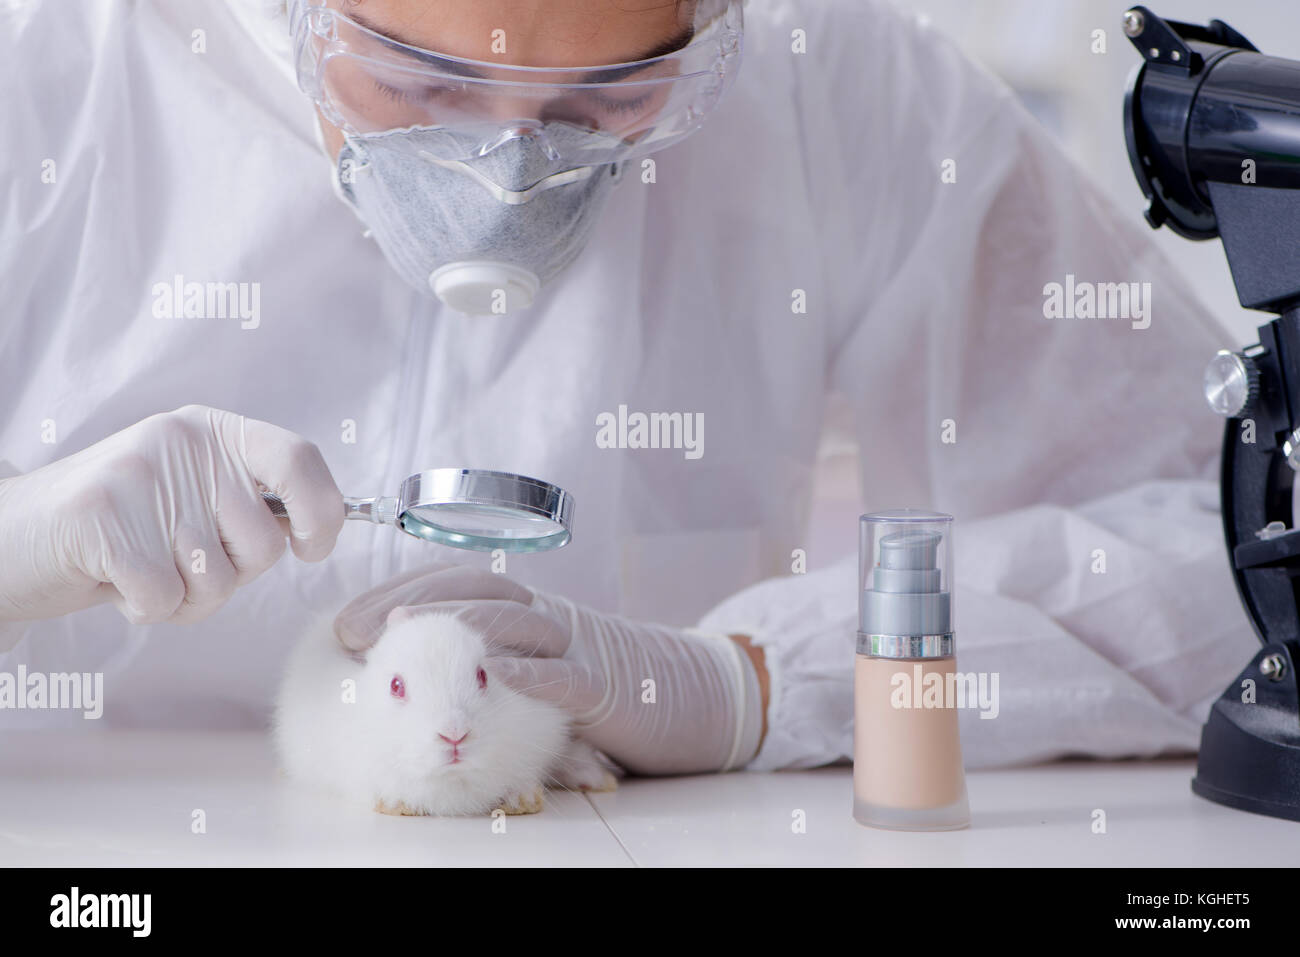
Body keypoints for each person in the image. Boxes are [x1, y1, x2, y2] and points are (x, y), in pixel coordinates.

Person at [0, 0, 1256, 775]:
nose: (504, 180)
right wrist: (20, 549)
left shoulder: (854, 97)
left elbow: (1229, 553)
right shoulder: (46, 76)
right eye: (419, 86)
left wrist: (757, 686)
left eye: (606, 102)